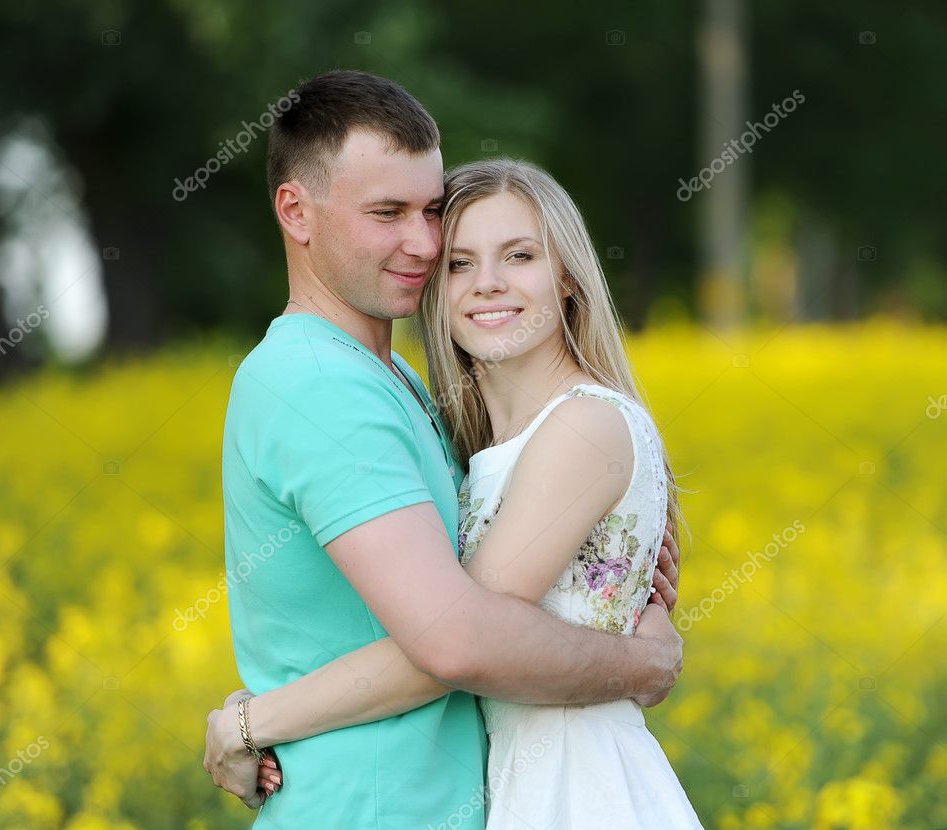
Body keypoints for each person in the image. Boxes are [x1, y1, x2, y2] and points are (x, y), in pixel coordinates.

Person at [202, 70, 684, 830]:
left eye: (431, 212)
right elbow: (456, 637)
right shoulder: (318, 383)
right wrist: (642, 662)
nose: (423, 245)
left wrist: (611, 590)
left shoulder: (397, 381)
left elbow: (475, 613)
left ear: (568, 276)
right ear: (295, 211)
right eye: (387, 213)